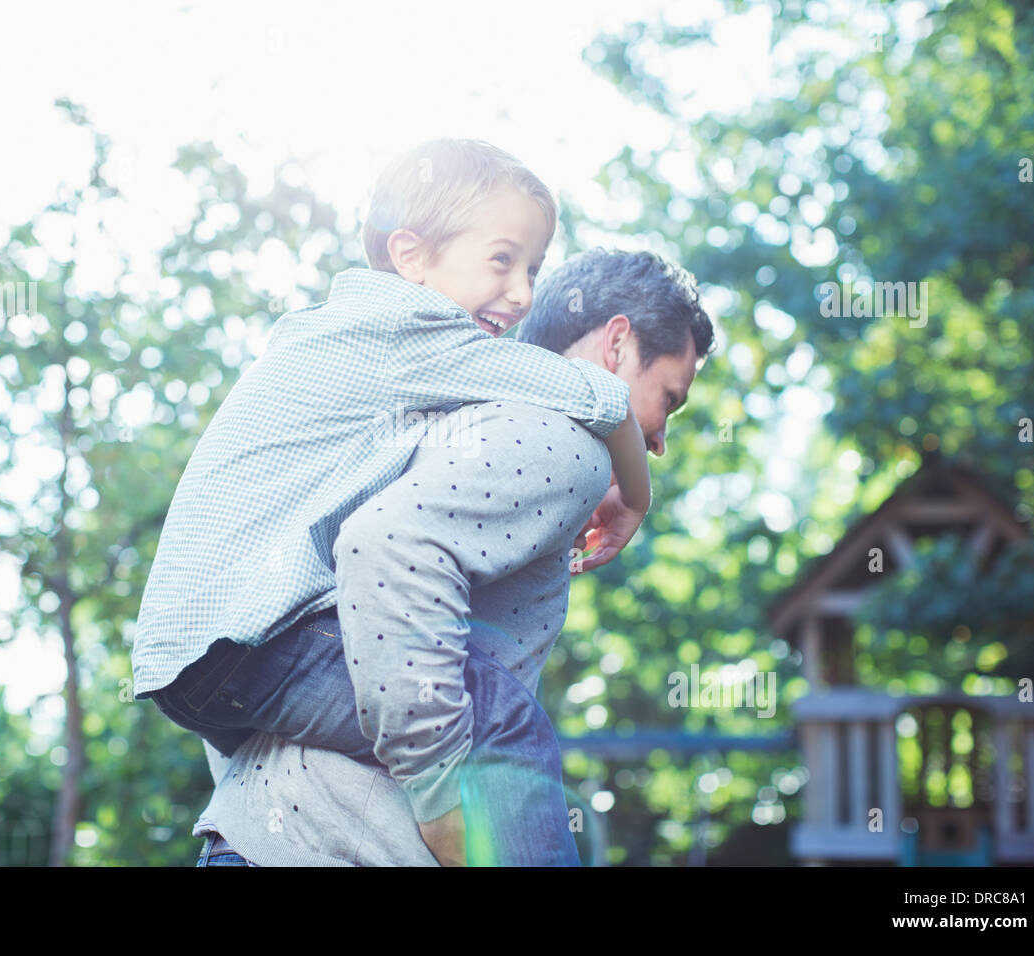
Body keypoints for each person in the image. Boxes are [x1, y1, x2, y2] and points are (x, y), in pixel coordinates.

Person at [132, 139, 655, 865]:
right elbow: (596, 397)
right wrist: (633, 494)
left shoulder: (334, 332)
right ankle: (450, 823)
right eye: (502, 260)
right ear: (410, 255)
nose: (524, 292)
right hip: (252, 640)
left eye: (533, 268)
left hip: (194, 661)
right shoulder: (409, 329)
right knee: (500, 719)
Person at [189, 247, 715, 865]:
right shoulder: (565, 441)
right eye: (669, 400)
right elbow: (382, 546)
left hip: (249, 839)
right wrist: (450, 823)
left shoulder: (421, 425)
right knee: (511, 727)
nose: (657, 441)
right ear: (618, 345)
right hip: (344, 852)